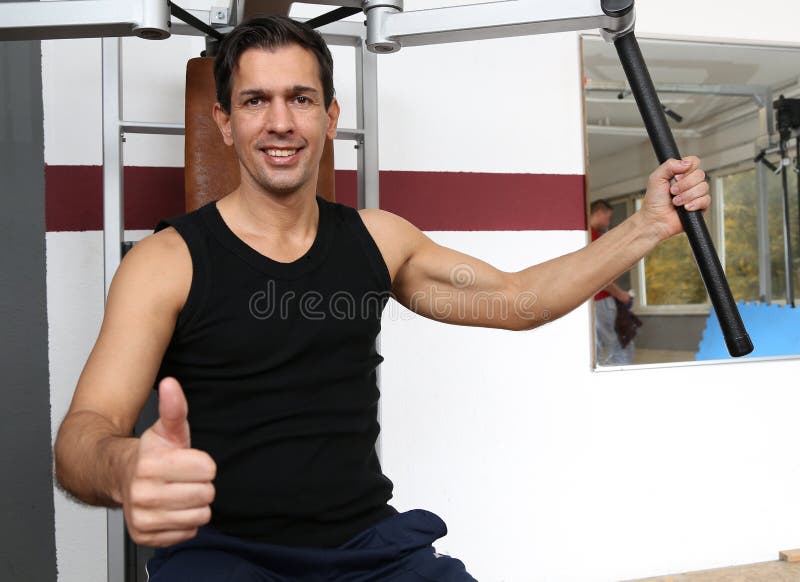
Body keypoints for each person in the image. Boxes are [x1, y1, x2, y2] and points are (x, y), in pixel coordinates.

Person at [53, 15, 710, 581]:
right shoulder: (164, 263)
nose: (280, 123)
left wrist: (647, 225)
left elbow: (518, 300)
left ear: (331, 116)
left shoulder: (379, 240)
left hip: (367, 548)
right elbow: (82, 436)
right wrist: (123, 466)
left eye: (302, 99)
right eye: (255, 101)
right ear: (223, 121)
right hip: (222, 551)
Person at [588, 199, 637, 365]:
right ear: (599, 212)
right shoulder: (592, 237)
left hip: (594, 300)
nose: (608, 222)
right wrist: (621, 295)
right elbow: (598, 277)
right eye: (608, 218)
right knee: (616, 342)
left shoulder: (587, 236)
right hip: (601, 300)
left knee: (601, 344)